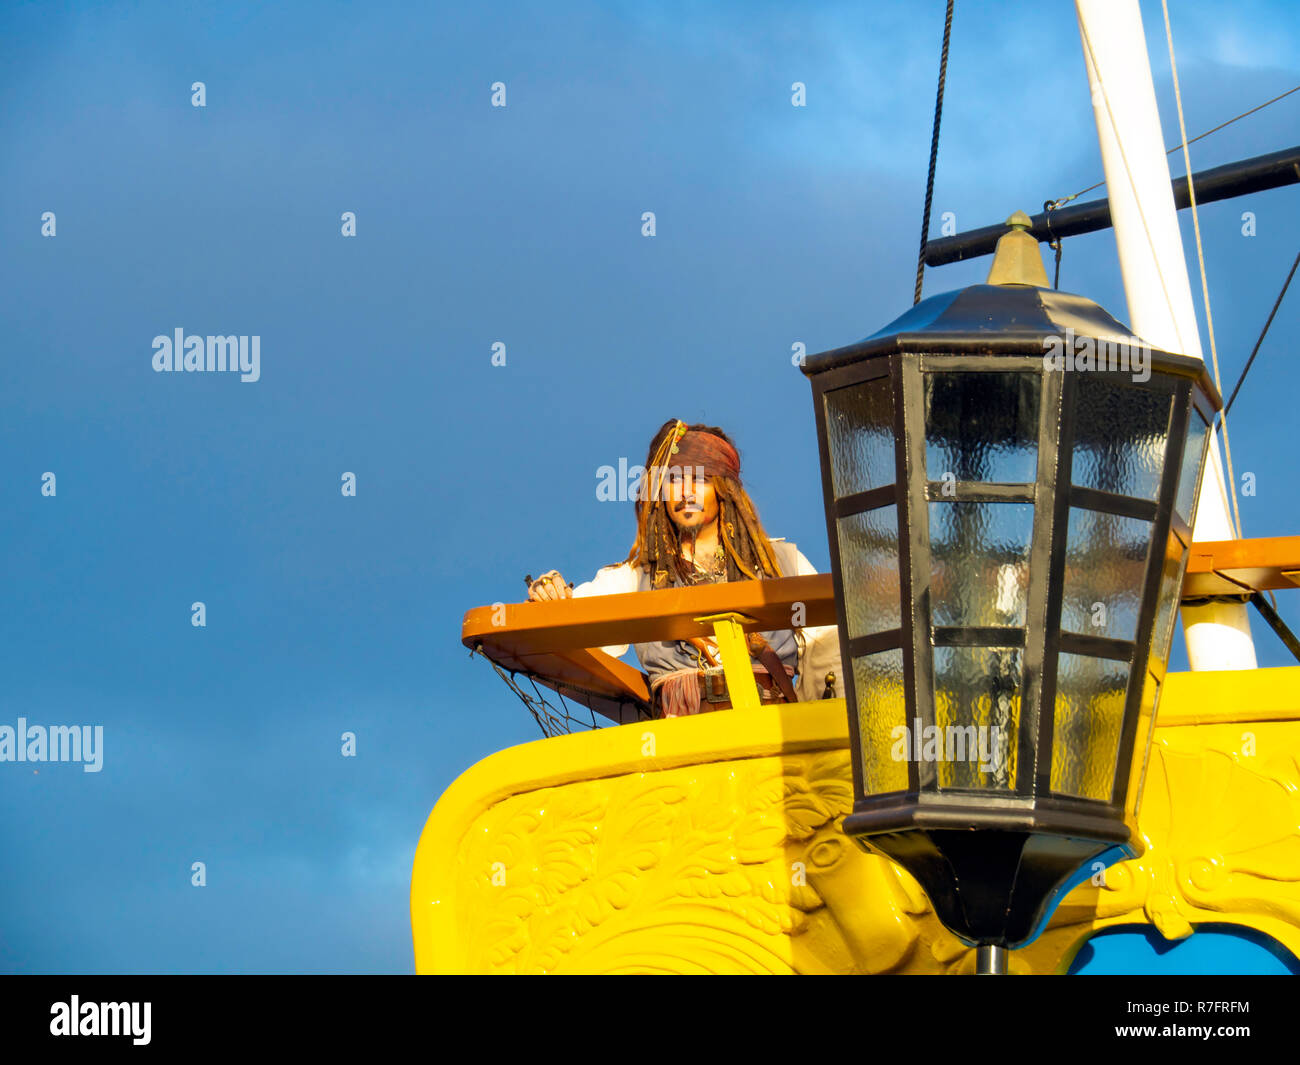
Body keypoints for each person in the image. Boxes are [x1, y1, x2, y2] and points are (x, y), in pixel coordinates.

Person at [528, 419, 834, 717]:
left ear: (722, 487)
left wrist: (819, 730)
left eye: (699, 479)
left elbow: (829, 651)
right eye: (674, 479)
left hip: (773, 738)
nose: (686, 493)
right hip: (681, 745)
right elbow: (580, 626)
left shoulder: (779, 561)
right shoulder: (637, 575)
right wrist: (551, 595)